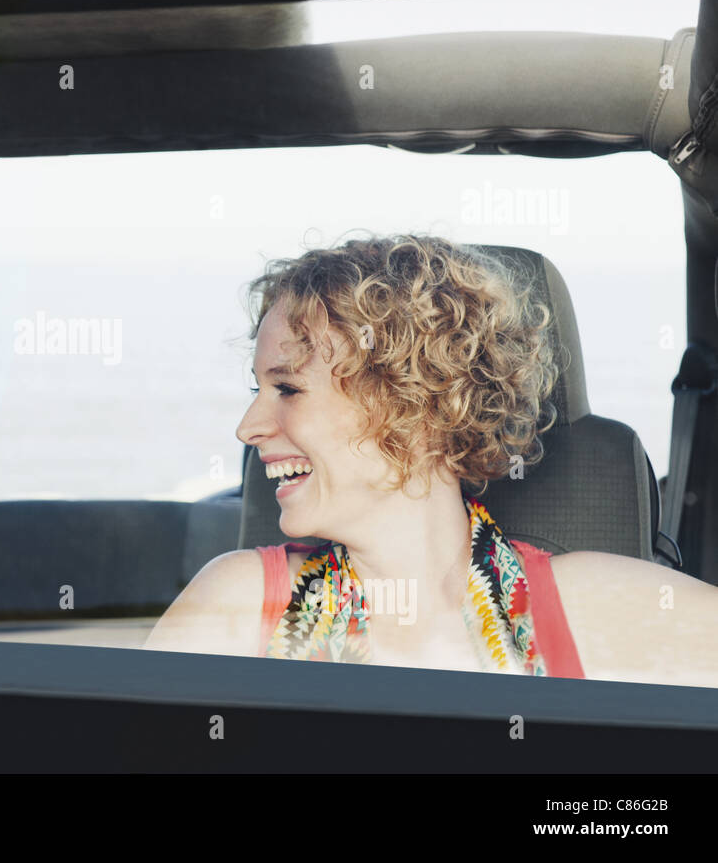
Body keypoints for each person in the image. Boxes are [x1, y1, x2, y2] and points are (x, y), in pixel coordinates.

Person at [146, 234, 718, 687]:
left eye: (288, 389)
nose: (248, 428)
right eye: (258, 392)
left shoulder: (598, 605)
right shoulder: (241, 602)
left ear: (414, 403)